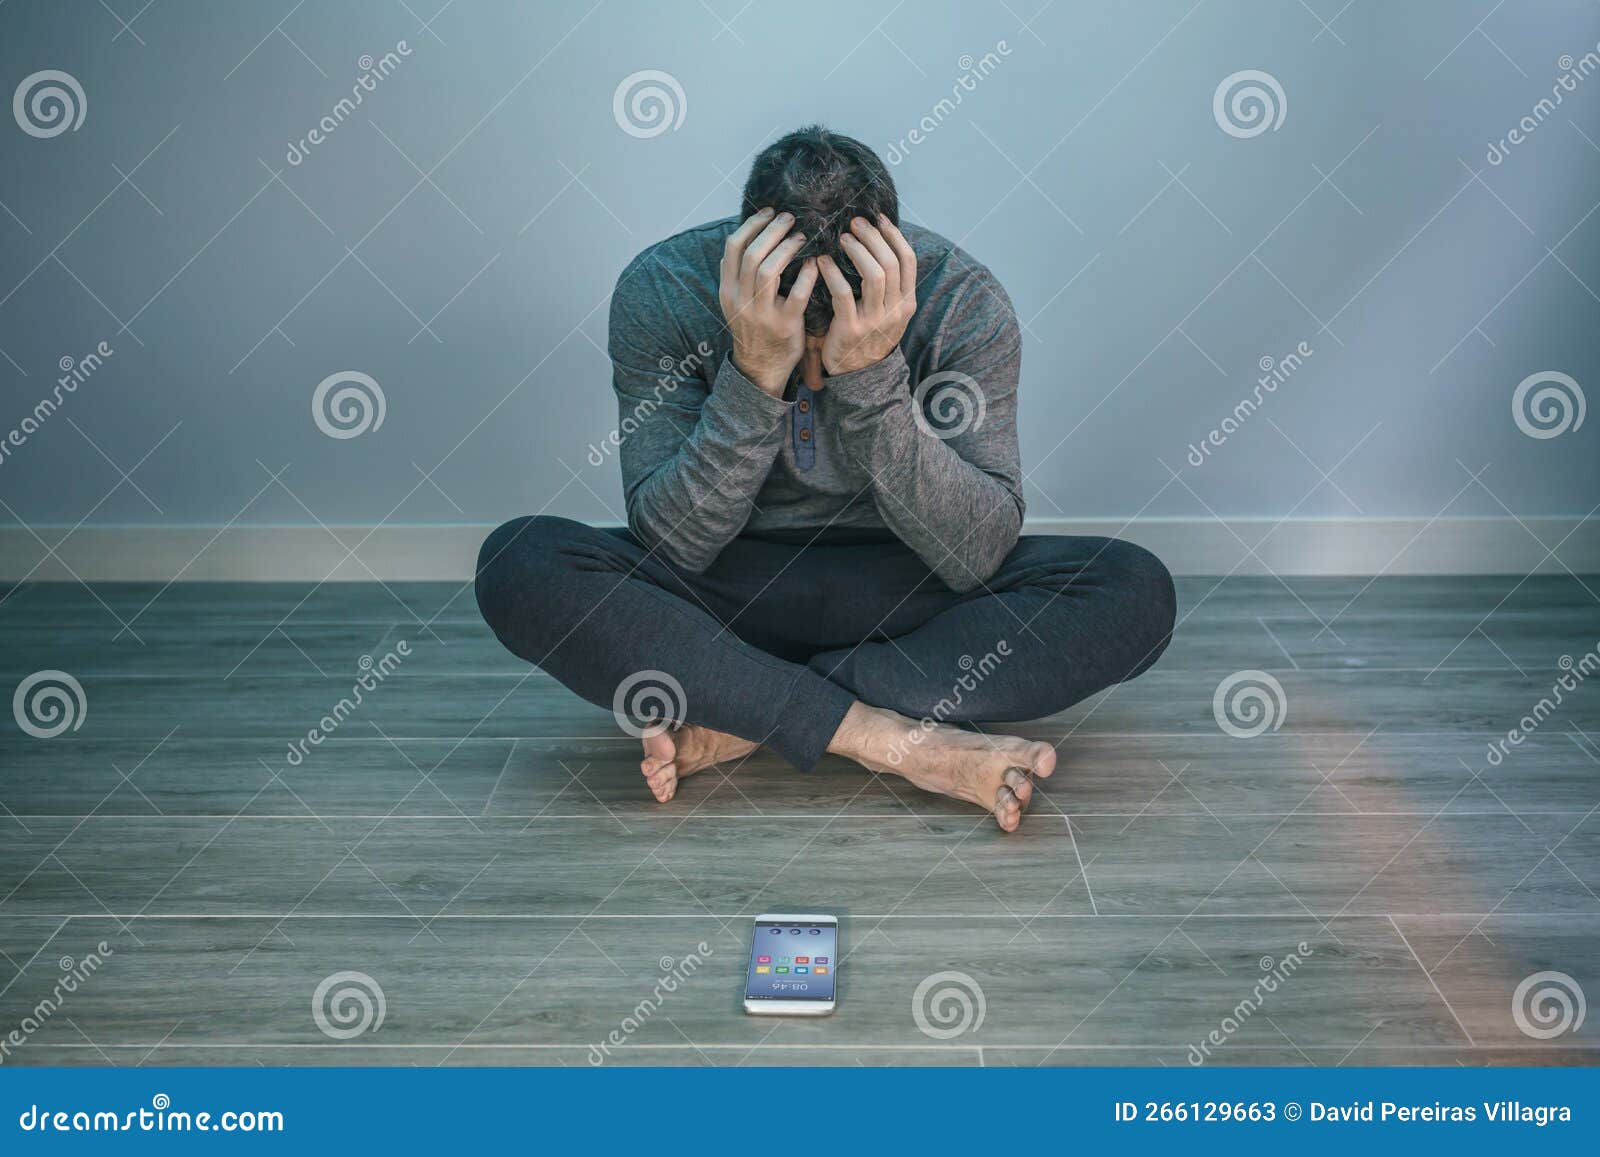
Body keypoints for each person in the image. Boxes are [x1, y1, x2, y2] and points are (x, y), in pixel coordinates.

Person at [476, 126, 1175, 831]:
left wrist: (870, 376)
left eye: (828, 346)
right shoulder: (662, 289)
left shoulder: (963, 300)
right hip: (723, 590)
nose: (814, 375)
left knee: (1134, 592)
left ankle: (749, 710)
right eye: (801, 349)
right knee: (519, 562)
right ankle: (891, 741)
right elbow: (673, 547)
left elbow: (975, 554)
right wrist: (752, 374)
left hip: (912, 589)